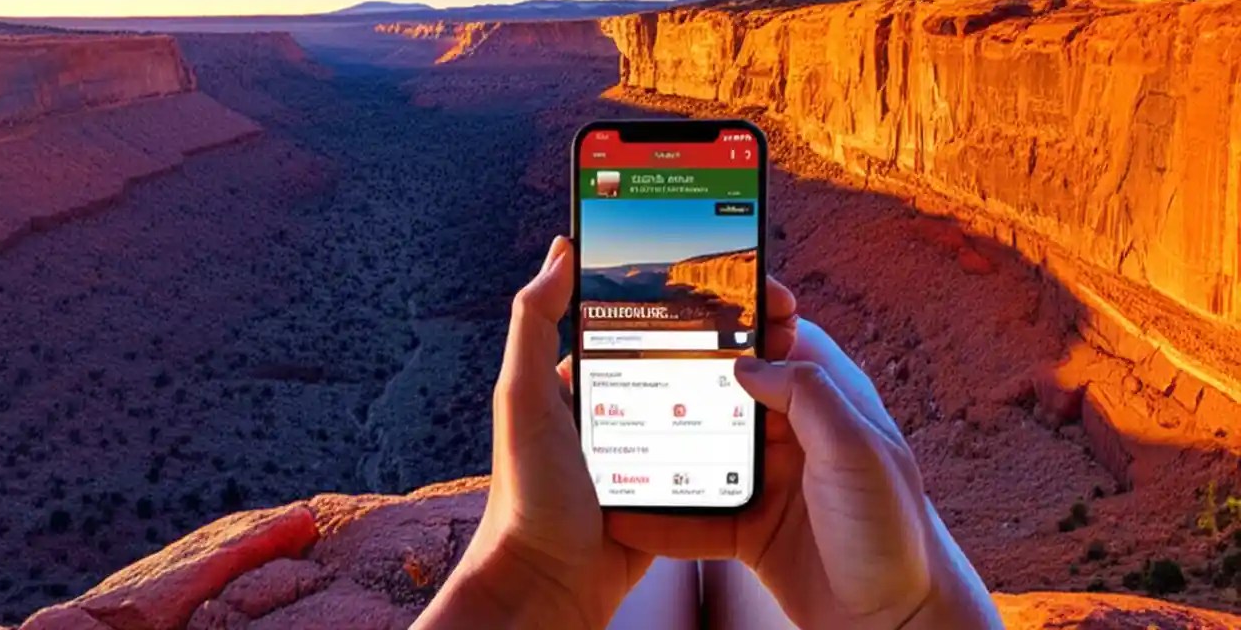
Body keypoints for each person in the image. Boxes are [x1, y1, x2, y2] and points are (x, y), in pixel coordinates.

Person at [414, 237, 1004, 629]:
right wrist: (909, 611)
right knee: (807, 351)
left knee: (659, 545)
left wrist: (529, 573)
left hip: (578, 576)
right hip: (831, 583)